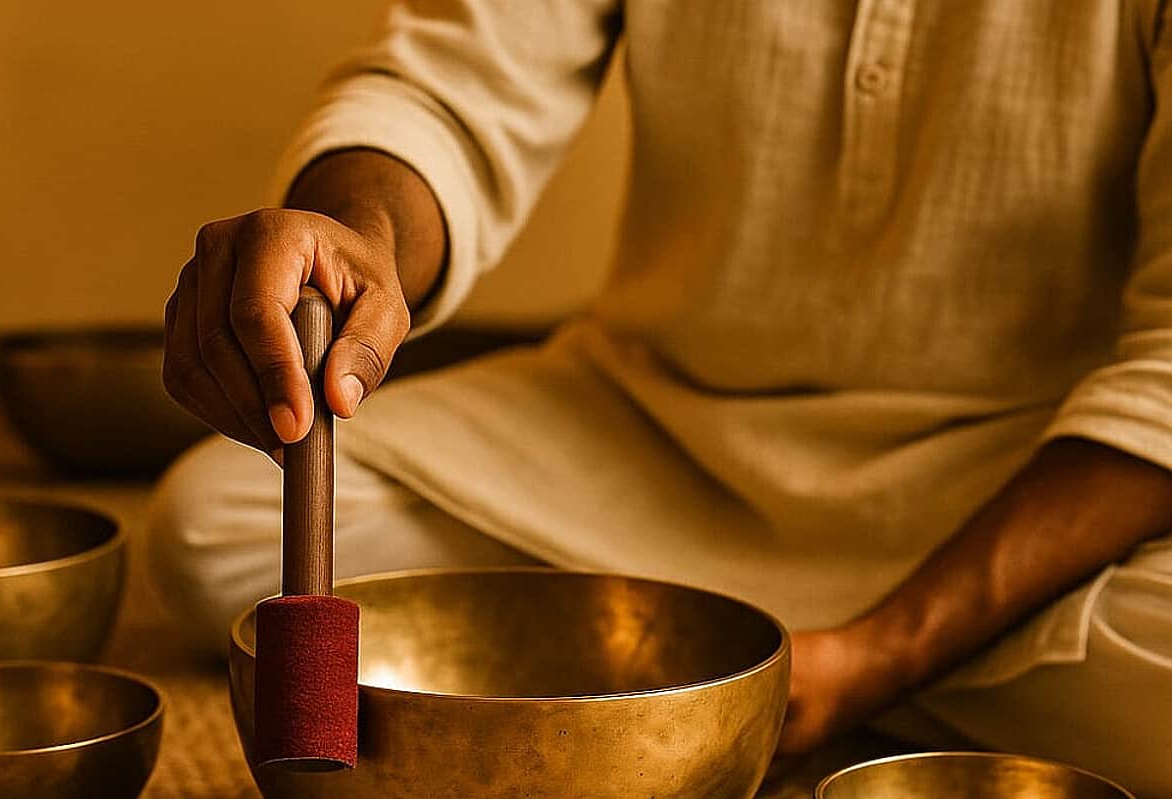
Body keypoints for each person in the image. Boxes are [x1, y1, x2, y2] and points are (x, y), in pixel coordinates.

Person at [150, 1, 1172, 794]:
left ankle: (710, 661)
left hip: (1023, 473)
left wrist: (878, 656)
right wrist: (359, 235)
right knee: (215, 522)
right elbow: (449, 89)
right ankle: (721, 668)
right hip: (661, 431)